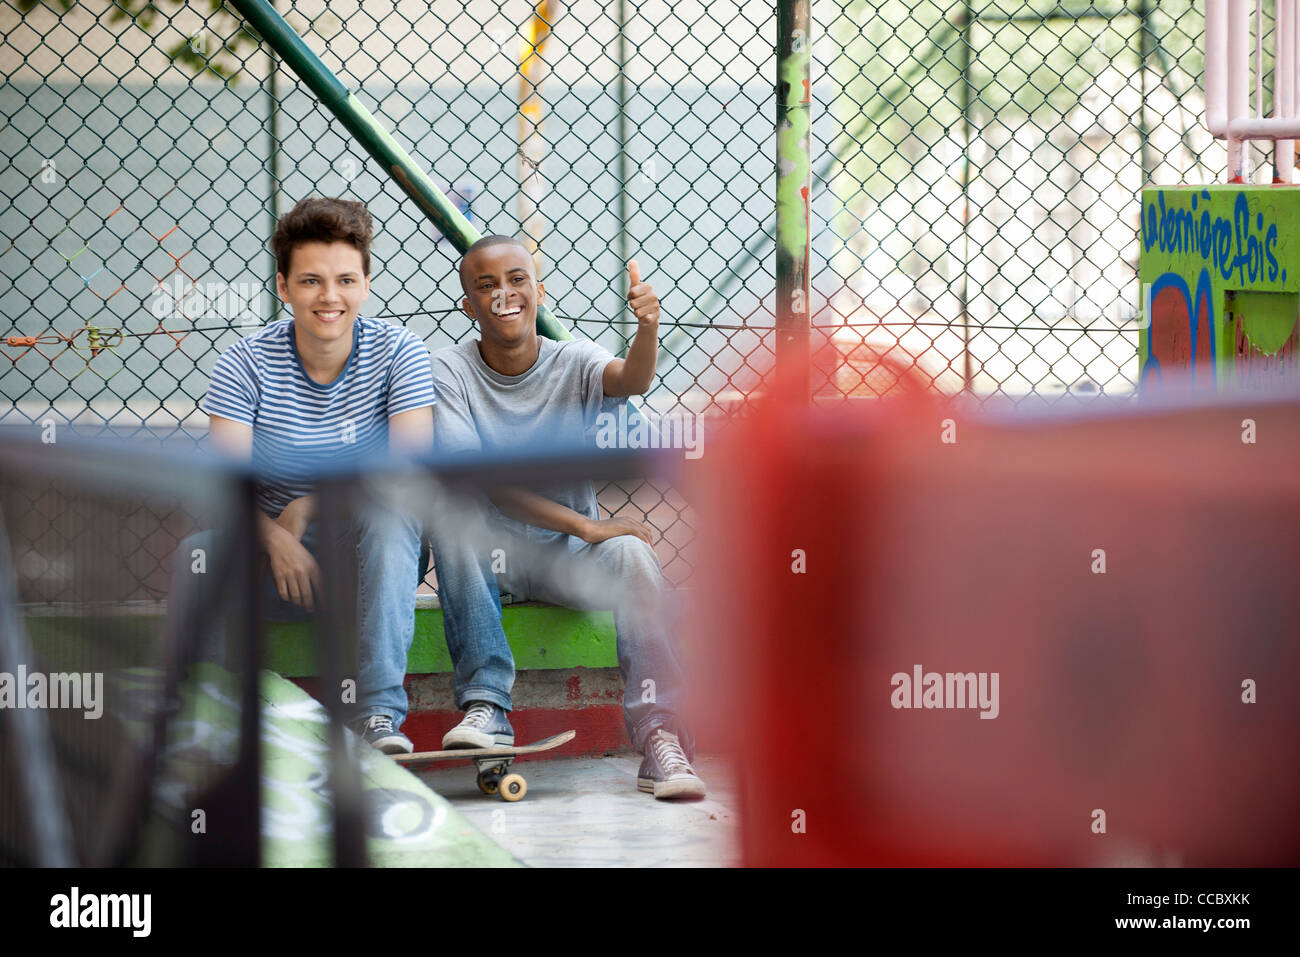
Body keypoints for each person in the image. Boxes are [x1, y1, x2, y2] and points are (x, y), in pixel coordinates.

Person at [430, 235, 705, 799]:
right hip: (491, 557)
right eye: (485, 286)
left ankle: (659, 739)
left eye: (516, 280)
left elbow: (631, 381)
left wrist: (647, 327)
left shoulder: (573, 360)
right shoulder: (449, 371)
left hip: (565, 561)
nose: (503, 294)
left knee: (632, 553)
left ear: (539, 291)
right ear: (467, 304)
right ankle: (487, 711)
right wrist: (585, 525)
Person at [195, 196, 435, 754]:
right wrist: (278, 537)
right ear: (283, 286)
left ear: (366, 283)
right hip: (269, 559)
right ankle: (207, 721)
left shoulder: (400, 352)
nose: (330, 297)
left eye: (346, 280)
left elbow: (407, 471)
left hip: (364, 556)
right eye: (310, 281)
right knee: (197, 556)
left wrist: (313, 505)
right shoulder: (243, 362)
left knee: (393, 519)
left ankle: (377, 717)